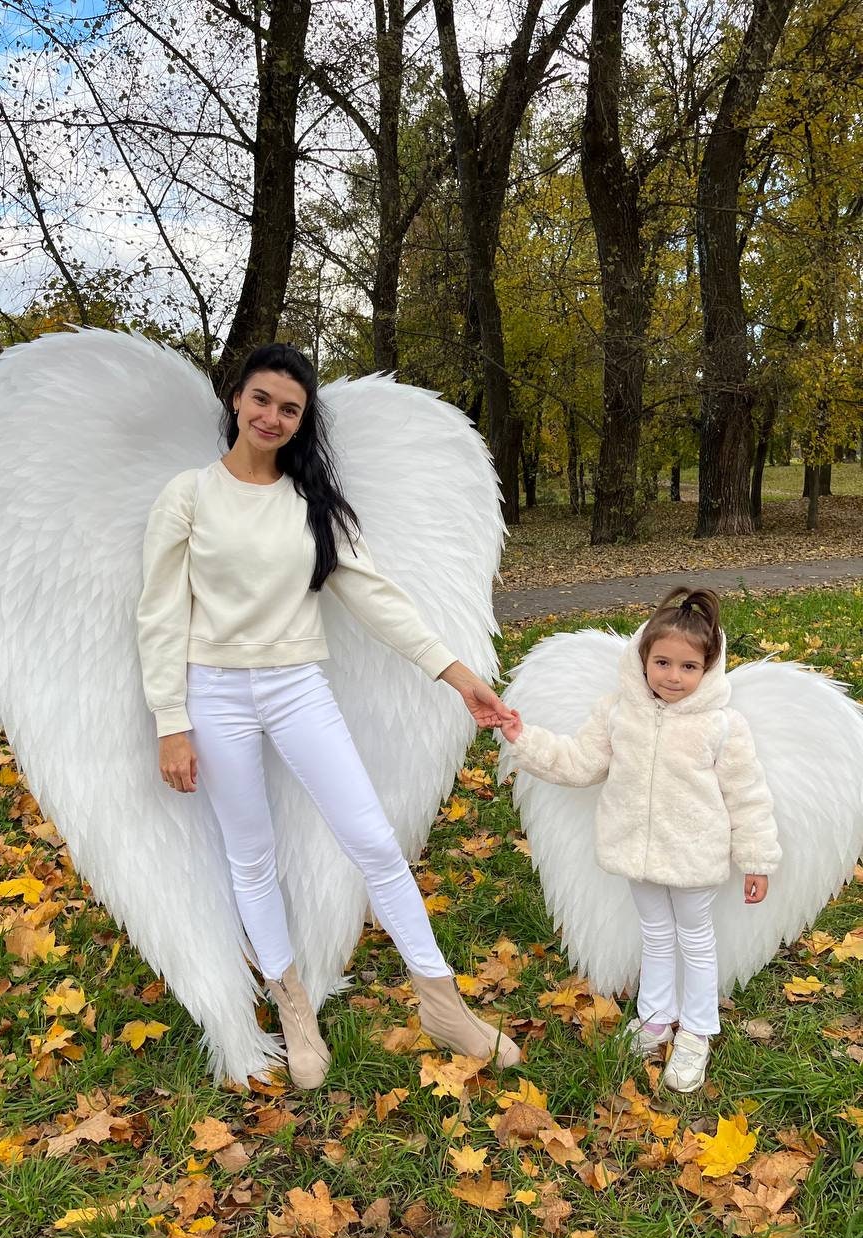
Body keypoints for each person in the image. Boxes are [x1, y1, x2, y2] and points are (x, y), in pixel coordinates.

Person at [137, 342, 520, 1087]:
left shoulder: (313, 505)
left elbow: (377, 597)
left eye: (290, 407)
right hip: (215, 694)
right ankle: (292, 1004)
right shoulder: (187, 496)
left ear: (303, 419)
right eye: (261, 401)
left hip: (296, 687)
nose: (273, 416)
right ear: (236, 402)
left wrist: (457, 674)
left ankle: (440, 999)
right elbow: (158, 615)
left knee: (373, 840)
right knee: (251, 854)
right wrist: (169, 720)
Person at [500, 587, 781, 1093]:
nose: (673, 676)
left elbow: (747, 794)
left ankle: (696, 1030)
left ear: (709, 669)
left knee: (695, 940)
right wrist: (525, 738)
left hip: (694, 858)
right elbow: (580, 761)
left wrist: (757, 858)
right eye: (663, 662)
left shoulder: (722, 726)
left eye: (689, 667)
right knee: (654, 933)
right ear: (642, 659)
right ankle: (655, 1018)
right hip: (635, 852)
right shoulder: (617, 712)